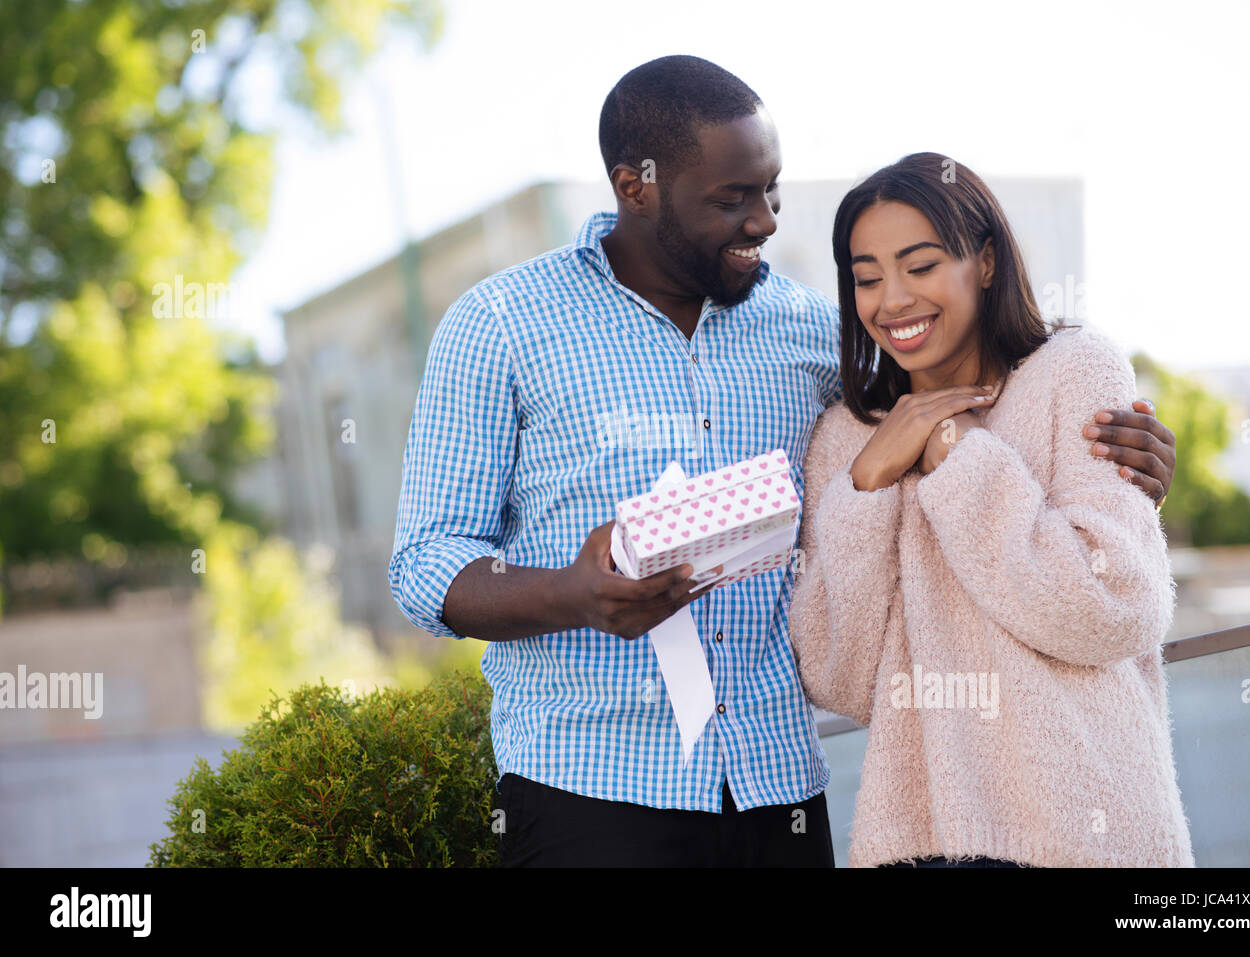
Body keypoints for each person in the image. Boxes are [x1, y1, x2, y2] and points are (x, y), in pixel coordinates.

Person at [388, 57, 1179, 867]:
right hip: (590, 792)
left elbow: (950, 418)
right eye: (731, 198)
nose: (764, 221)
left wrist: (1132, 472)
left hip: (779, 796)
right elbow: (424, 561)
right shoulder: (501, 323)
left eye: (770, 190)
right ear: (636, 187)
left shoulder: (814, 335)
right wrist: (572, 593)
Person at [787, 152, 1195, 867]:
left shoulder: (1073, 370)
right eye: (867, 277)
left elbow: (1113, 609)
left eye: (920, 266)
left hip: (1089, 833)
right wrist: (868, 485)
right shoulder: (850, 442)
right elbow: (836, 677)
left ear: (984, 261)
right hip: (921, 845)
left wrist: (959, 451)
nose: (892, 299)